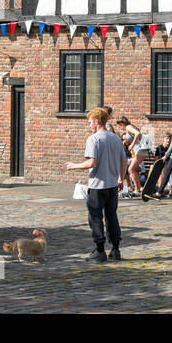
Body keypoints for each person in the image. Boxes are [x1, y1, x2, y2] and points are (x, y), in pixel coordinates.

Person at [65, 107, 128, 262]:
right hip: (112, 184)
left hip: (97, 185)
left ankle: (99, 250)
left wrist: (74, 166)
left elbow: (92, 163)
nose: (89, 125)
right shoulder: (115, 138)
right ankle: (116, 249)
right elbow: (124, 160)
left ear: (97, 121)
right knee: (112, 216)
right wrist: (121, 178)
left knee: (95, 217)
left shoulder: (94, 139)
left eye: (90, 122)